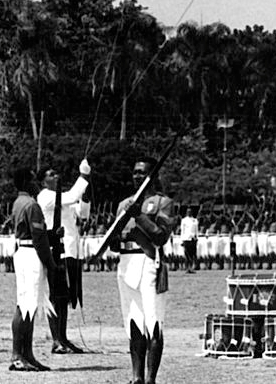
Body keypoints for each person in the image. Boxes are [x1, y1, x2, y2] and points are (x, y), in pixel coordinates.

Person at [111, 157, 176, 384]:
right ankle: (136, 376)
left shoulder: (162, 202)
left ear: (152, 176)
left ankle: (150, 379)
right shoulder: (124, 203)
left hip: (149, 262)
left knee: (153, 321)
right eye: (135, 172)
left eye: (143, 172)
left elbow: (160, 236)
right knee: (133, 321)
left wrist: (138, 215)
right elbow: (113, 241)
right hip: (126, 263)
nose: (137, 176)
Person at [35, 159, 92, 354]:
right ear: (43, 181)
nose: (56, 176)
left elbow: (82, 212)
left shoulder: (61, 198)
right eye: (51, 174)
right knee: (55, 296)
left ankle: (63, 337)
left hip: (71, 250)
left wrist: (87, 193)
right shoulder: (46, 196)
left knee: (65, 297)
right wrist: (83, 176)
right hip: (56, 249)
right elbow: (72, 195)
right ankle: (56, 339)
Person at [10, 167, 59, 372]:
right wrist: (50, 263)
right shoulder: (32, 204)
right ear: (26, 182)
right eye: (32, 180)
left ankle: (25, 353)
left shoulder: (18, 202)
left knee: (25, 304)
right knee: (27, 305)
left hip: (22, 251)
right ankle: (20, 355)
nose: (36, 183)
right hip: (31, 254)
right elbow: (38, 238)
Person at [179, 207, 199, 273]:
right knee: (187, 255)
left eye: (190, 211)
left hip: (193, 239)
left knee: (192, 254)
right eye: (188, 211)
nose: (189, 213)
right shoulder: (184, 220)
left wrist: (197, 238)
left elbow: (196, 230)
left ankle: (191, 267)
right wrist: (182, 240)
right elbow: (182, 230)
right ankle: (187, 268)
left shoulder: (195, 220)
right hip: (186, 239)